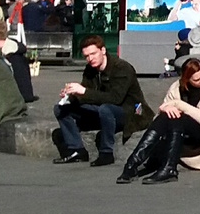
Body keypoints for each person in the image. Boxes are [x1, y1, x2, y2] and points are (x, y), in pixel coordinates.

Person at [116, 58, 200, 184]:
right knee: (168, 116)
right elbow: (160, 118)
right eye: (196, 80)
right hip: (183, 130)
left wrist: (177, 104)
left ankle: (167, 168)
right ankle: (132, 164)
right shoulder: (176, 88)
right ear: (186, 79)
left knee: (176, 116)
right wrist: (166, 109)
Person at [54, 35, 151, 166]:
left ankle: (106, 153)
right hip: (103, 110)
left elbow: (115, 98)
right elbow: (87, 94)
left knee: (106, 109)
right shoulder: (90, 69)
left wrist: (83, 91)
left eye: (93, 54)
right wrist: (72, 95)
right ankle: (77, 150)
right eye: (86, 56)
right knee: (61, 108)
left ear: (103, 50)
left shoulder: (122, 68)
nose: (90, 59)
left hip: (131, 111)